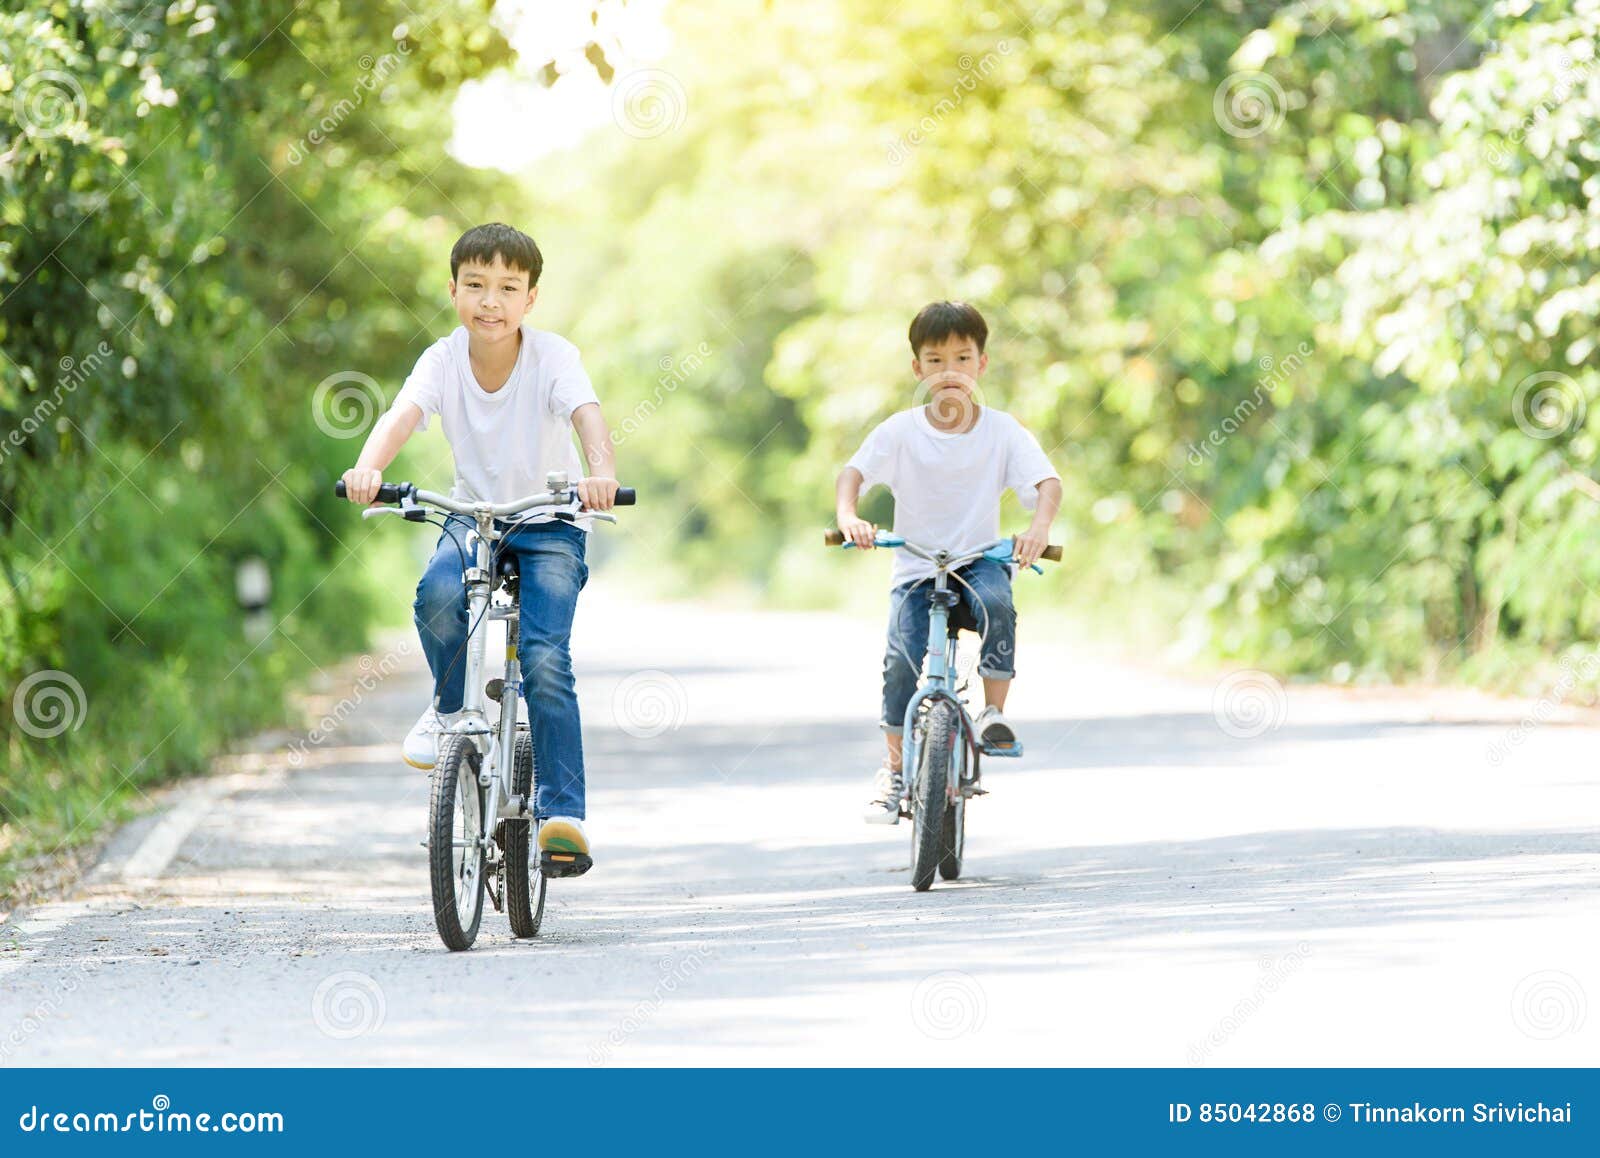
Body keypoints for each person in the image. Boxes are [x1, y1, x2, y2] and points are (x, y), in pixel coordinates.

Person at [340, 222, 617, 873]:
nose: (490, 301)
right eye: (475, 286)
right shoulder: (441, 359)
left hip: (550, 519)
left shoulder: (553, 357)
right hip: (474, 514)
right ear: (453, 289)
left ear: (530, 298)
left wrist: (600, 472)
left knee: (545, 658)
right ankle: (447, 710)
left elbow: (587, 415)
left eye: (507, 288)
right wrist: (368, 468)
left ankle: (562, 813)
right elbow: (401, 414)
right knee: (439, 595)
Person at [834, 301, 1062, 823]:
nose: (950, 371)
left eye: (962, 358)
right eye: (935, 361)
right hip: (917, 567)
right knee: (899, 664)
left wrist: (1038, 530)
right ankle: (893, 771)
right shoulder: (900, 431)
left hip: (977, 560)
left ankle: (994, 715)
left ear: (982, 364)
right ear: (918, 370)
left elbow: (1047, 482)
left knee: (998, 601)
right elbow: (854, 473)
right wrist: (849, 515)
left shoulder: (1002, 431)